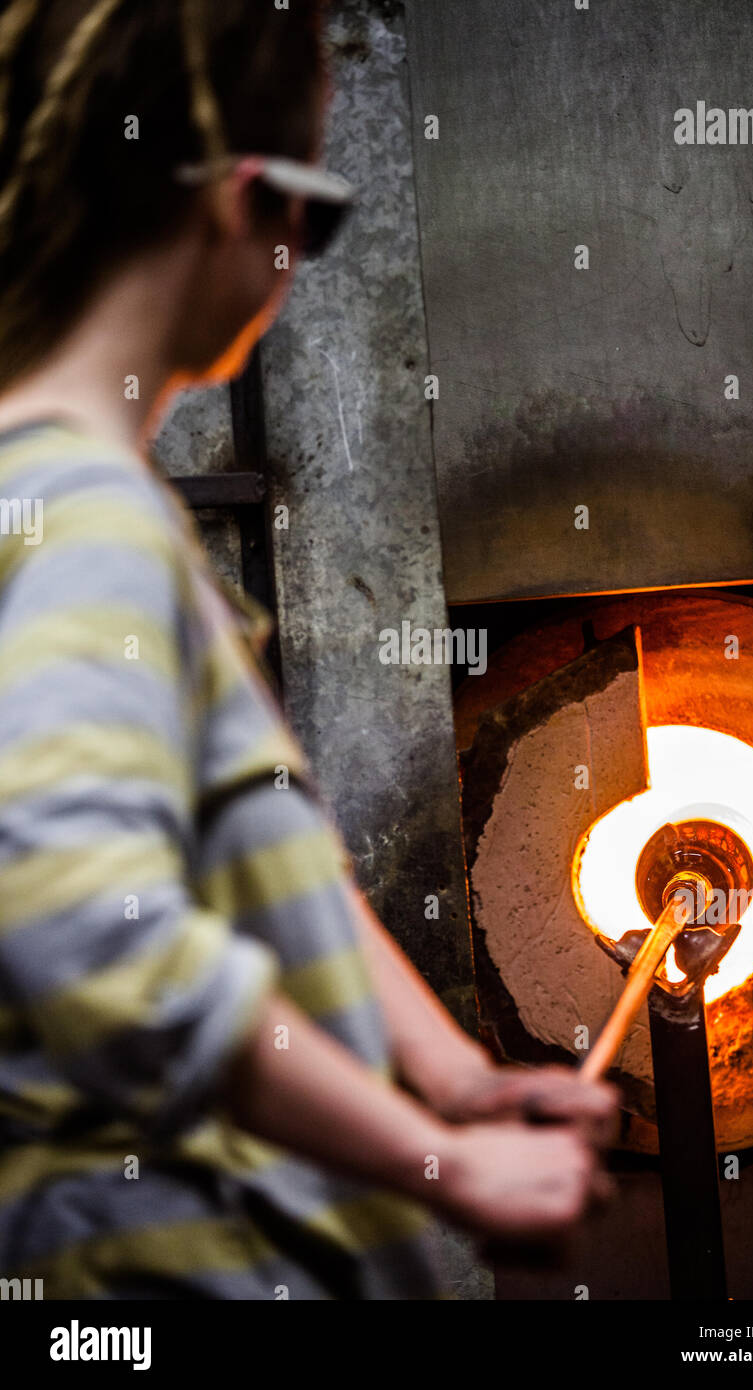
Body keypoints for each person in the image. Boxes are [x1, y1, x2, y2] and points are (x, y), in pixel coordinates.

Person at [0, 0, 616, 1300]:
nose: (299, 261)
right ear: (239, 202)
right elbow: (79, 926)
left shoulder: (55, 503)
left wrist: (453, 1077)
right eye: (315, 216)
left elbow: (258, 839)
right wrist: (439, 1168)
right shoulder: (90, 526)